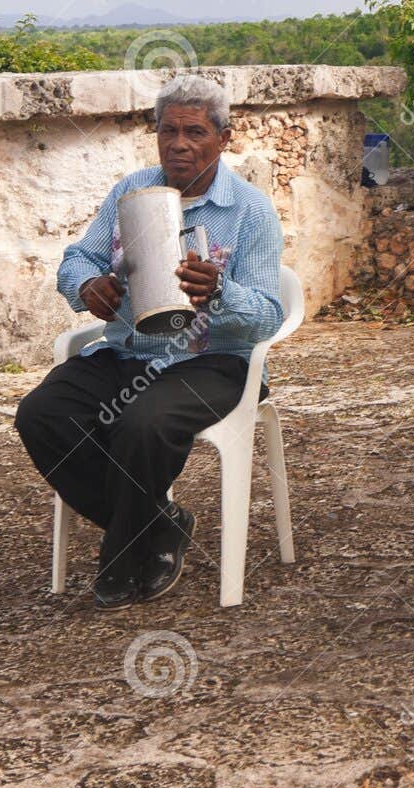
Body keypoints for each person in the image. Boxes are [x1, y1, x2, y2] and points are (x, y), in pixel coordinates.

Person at [15, 74, 283, 610]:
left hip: (211, 360)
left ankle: (123, 551)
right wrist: (88, 287)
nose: (180, 144)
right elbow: (79, 258)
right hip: (126, 351)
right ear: (155, 133)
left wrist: (220, 293)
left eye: (196, 133)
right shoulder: (130, 191)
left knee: (143, 423)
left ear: (224, 139)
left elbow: (268, 318)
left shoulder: (250, 211)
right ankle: (158, 526)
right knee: (41, 414)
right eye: (169, 131)